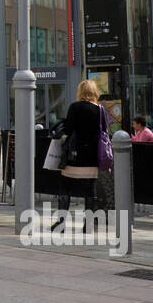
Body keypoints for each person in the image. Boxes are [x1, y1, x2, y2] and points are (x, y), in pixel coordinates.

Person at [57, 79, 108, 212]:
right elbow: (105, 131)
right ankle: (89, 223)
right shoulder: (100, 110)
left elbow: (68, 130)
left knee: (65, 188)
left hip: (74, 156)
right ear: (95, 92)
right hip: (92, 157)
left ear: (81, 92)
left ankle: (61, 222)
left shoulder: (75, 107)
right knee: (90, 191)